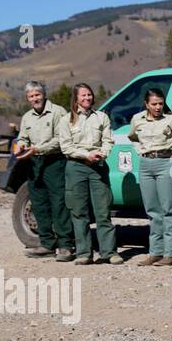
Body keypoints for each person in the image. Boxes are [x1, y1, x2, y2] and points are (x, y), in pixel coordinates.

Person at [60, 83, 121, 265]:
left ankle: (109, 252)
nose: (87, 98)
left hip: (98, 166)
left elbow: (108, 140)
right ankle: (84, 253)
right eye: (83, 95)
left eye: (89, 95)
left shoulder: (102, 117)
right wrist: (86, 155)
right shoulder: (66, 120)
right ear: (76, 98)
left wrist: (102, 153)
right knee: (79, 212)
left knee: (103, 210)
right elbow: (66, 146)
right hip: (76, 167)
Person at [13, 81, 73, 260]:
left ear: (44, 94)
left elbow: (61, 139)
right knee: (39, 203)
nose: (35, 99)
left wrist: (38, 149)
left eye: (37, 95)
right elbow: (23, 137)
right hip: (34, 163)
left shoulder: (58, 112)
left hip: (54, 161)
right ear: (27, 98)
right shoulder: (27, 117)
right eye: (31, 96)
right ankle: (46, 243)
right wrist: (21, 145)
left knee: (59, 203)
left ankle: (65, 245)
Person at [128, 88, 172, 266]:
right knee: (152, 210)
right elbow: (133, 137)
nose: (158, 107)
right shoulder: (137, 119)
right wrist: (140, 152)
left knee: (169, 209)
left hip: (166, 163)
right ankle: (155, 251)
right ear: (146, 104)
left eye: (160, 103)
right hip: (146, 164)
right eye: (154, 104)